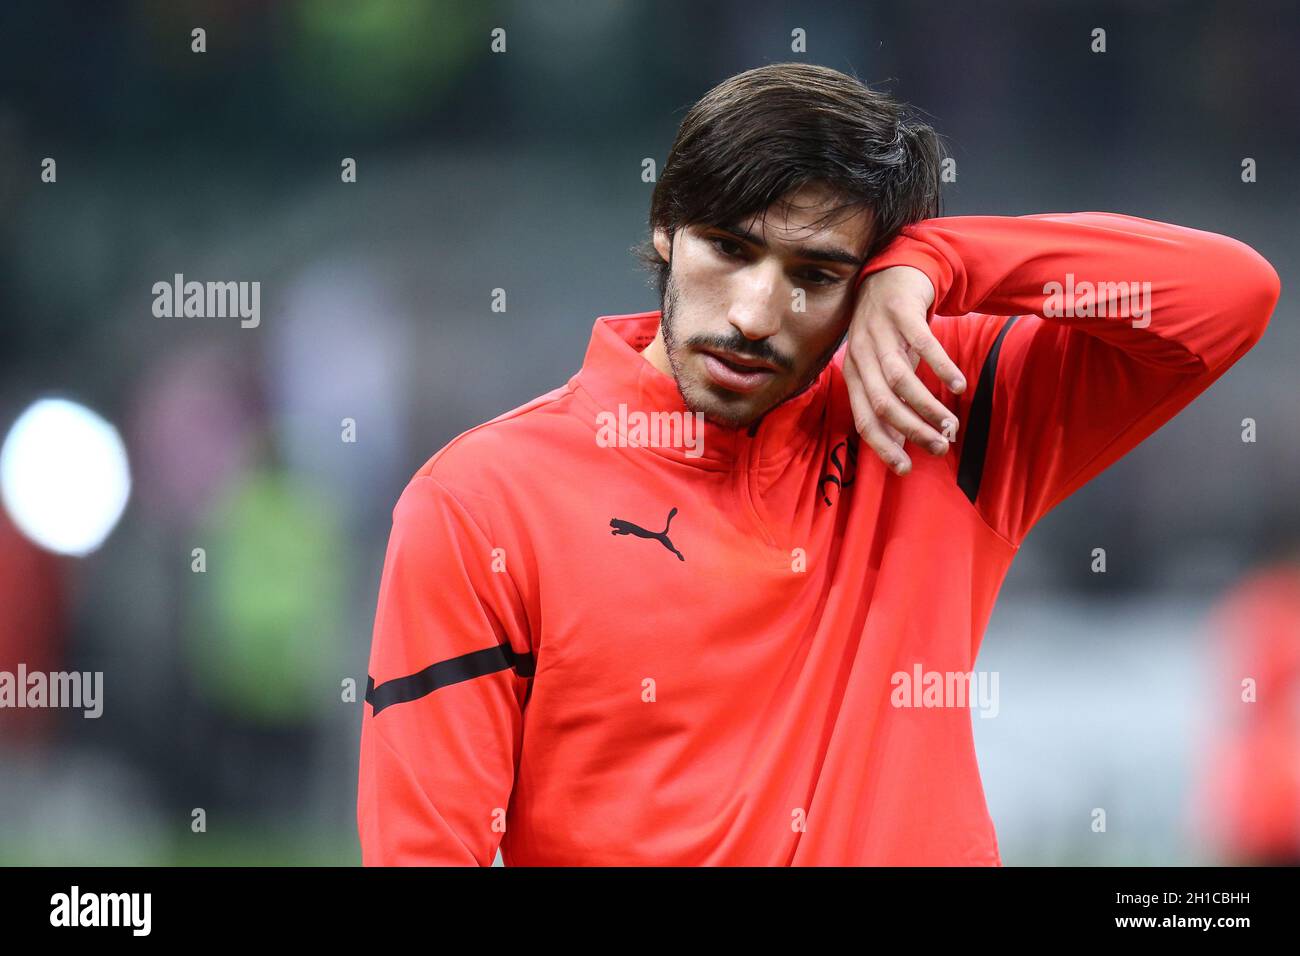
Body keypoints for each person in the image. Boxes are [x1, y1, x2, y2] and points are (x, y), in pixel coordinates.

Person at [357, 62, 1281, 865]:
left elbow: (1229, 295)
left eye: (816, 275)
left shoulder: (935, 413)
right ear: (668, 227)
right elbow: (425, 848)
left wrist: (942, 262)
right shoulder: (480, 503)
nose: (758, 313)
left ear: (867, 282)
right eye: (731, 248)